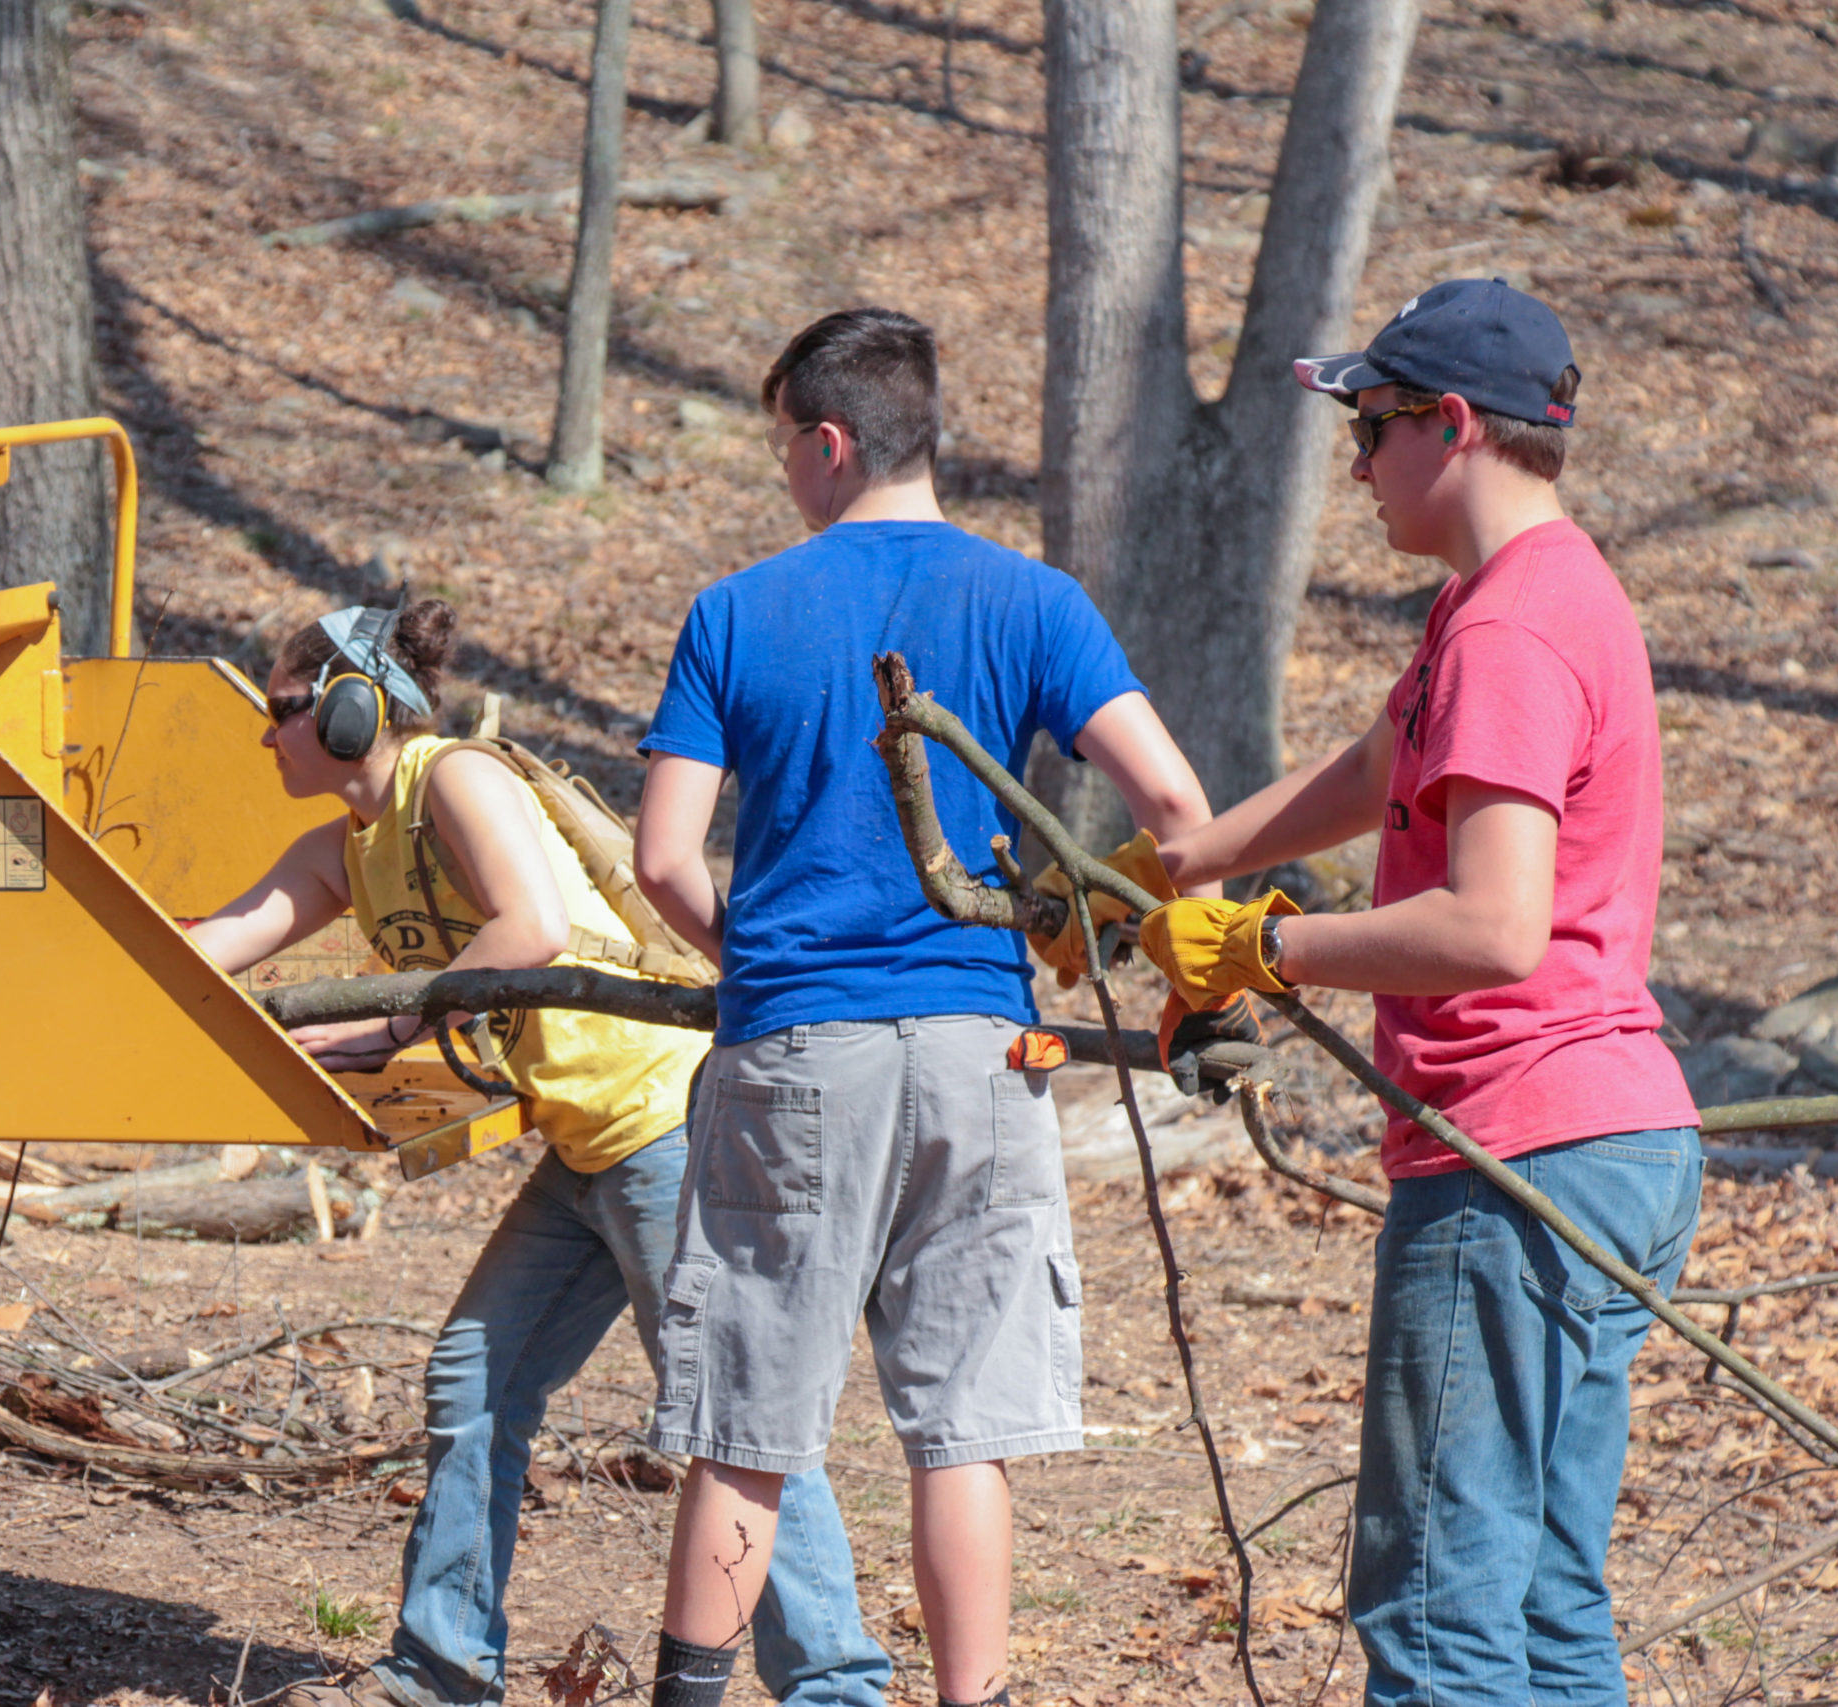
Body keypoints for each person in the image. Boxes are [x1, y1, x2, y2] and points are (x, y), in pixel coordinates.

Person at [632, 307, 1217, 1707]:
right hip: (982, 1050)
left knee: (749, 1422)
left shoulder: (735, 611)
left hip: (793, 1051)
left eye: (787, 446)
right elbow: (1180, 808)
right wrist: (1156, 948)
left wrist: (760, 962)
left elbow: (661, 857)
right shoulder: (1035, 603)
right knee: (962, 1430)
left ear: (830, 443)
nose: (787, 473)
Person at [1139, 279, 1702, 1707]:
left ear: (1450, 426)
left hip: (1516, 1160)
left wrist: (1266, 950)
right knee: (1542, 1596)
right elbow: (1390, 759)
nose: (1355, 458)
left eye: (1371, 424)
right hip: (1617, 1144)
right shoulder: (1524, 597)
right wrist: (1203, 855)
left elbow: (1495, 925)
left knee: (1440, 1612)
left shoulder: (1509, 635)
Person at [189, 595, 888, 1707]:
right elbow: (205, 948)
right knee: (476, 1379)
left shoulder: (455, 778)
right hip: (588, 1147)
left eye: (277, 709)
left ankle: (837, 1688)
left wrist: (393, 1021)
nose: (261, 735)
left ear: (351, 709)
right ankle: (441, 1671)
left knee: (733, 1421)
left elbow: (530, 930)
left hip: (668, 1120)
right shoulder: (345, 850)